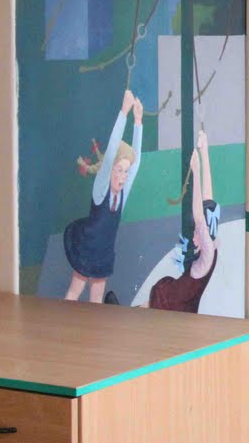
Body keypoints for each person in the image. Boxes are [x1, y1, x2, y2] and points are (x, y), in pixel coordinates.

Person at [64, 88, 144, 303]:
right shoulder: (101, 189)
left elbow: (137, 162)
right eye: (119, 170)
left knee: (97, 300)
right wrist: (124, 112)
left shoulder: (122, 195)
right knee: (74, 291)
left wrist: (138, 122)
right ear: (110, 172)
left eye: (126, 172)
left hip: (103, 253)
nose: (123, 176)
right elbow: (109, 155)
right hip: (86, 246)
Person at [148, 129, 221, 313]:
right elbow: (208, 199)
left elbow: (198, 215)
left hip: (174, 305)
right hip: (176, 298)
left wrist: (196, 173)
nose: (195, 235)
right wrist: (205, 152)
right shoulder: (211, 242)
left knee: (154, 304)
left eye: (198, 232)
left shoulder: (207, 254)